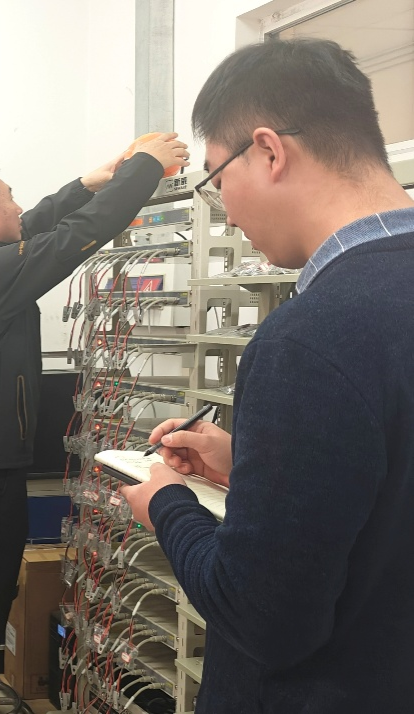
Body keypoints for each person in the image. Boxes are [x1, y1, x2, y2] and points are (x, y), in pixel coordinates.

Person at [122, 38, 414, 714]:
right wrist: (256, 465)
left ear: (269, 151)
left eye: (216, 179)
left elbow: (262, 619)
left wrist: (167, 503)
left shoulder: (308, 340)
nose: (224, 210)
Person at [0, 135, 190, 712]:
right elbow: (71, 239)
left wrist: (87, 183)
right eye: (8, 199)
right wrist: (144, 168)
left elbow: (35, 226)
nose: (19, 206)